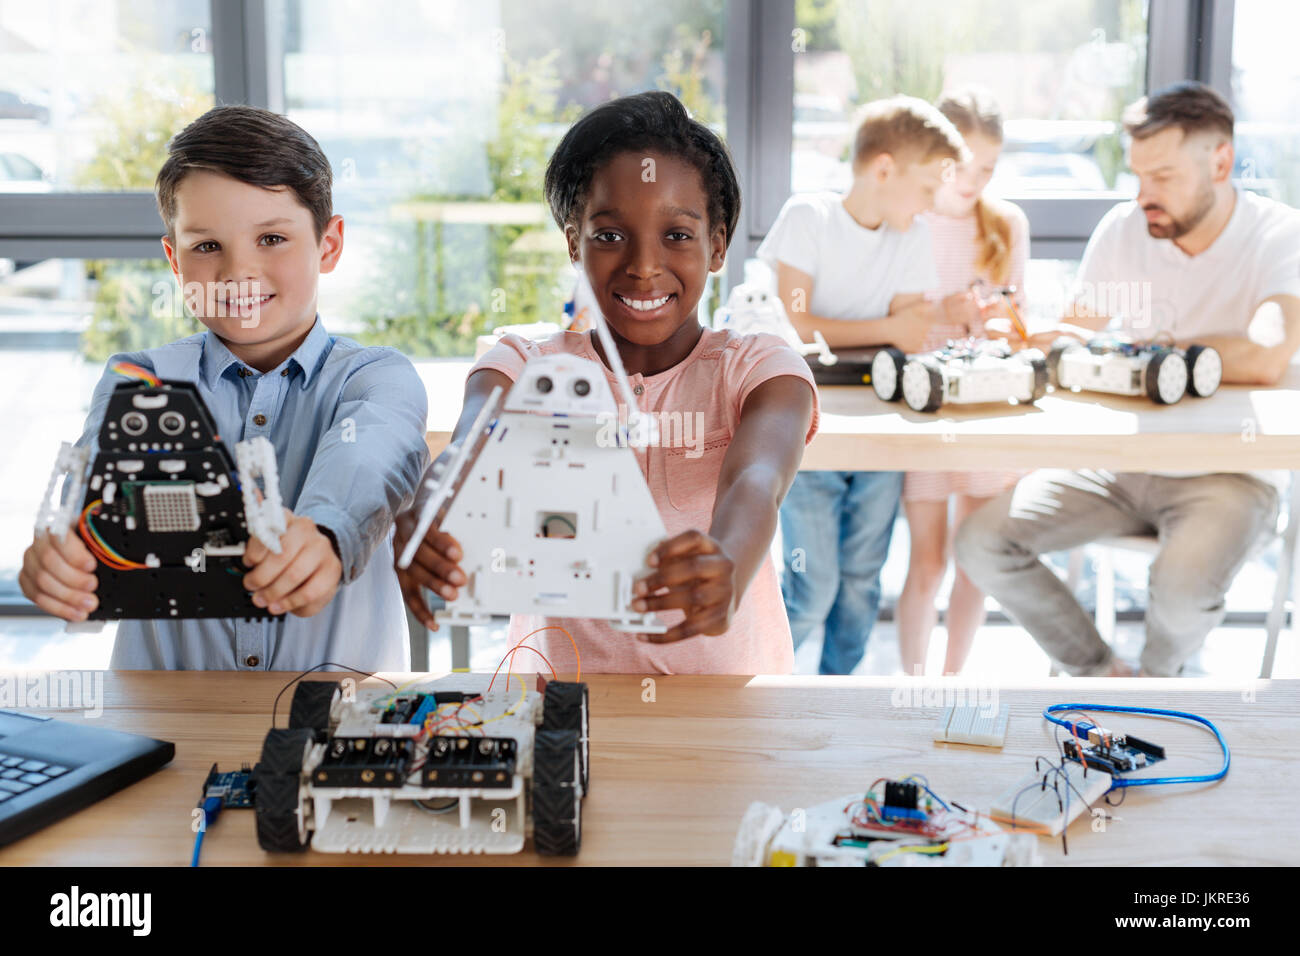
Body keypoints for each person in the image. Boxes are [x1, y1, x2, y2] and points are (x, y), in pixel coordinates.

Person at [396, 91, 818, 674]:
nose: (644, 265)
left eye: (677, 235)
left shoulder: (759, 369)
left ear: (717, 246)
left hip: (731, 706)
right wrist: (431, 503)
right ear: (574, 242)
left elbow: (758, 480)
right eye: (609, 235)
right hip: (559, 706)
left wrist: (728, 558)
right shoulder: (524, 363)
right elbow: (470, 444)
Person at [18, 105, 430, 670]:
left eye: (272, 238)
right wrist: (67, 563)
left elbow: (372, 456)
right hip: (166, 730)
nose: (238, 273)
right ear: (174, 259)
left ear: (328, 245)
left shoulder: (377, 378)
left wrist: (327, 535)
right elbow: (95, 510)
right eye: (207, 246)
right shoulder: (142, 379)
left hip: (333, 733)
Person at [956, 82, 1300, 677]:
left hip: (1229, 473)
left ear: (1221, 161)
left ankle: (1158, 685)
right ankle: (1104, 676)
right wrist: (1031, 337)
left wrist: (1144, 351)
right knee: (980, 542)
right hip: (1118, 462)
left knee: (1181, 592)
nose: (1145, 195)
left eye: (1163, 176)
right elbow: (1075, 331)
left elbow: (1267, 354)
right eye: (1138, 176)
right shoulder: (1124, 228)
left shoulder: (1279, 234)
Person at [756, 95, 967, 674]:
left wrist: (886, 331)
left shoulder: (911, 238)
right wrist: (887, 328)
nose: (932, 204)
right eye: (926, 188)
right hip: (812, 430)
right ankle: (763, 684)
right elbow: (797, 321)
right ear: (882, 168)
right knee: (814, 585)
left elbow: (905, 337)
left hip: (882, 429)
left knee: (859, 585)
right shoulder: (809, 218)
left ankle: (835, 701)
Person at [896, 88, 1029, 676]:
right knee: (927, 564)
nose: (975, 180)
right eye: (962, 166)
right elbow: (894, 319)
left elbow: (1018, 321)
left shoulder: (1005, 224)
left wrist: (997, 318)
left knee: (975, 560)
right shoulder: (910, 222)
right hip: (925, 410)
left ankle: (952, 683)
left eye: (989, 169)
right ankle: (913, 686)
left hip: (985, 409)